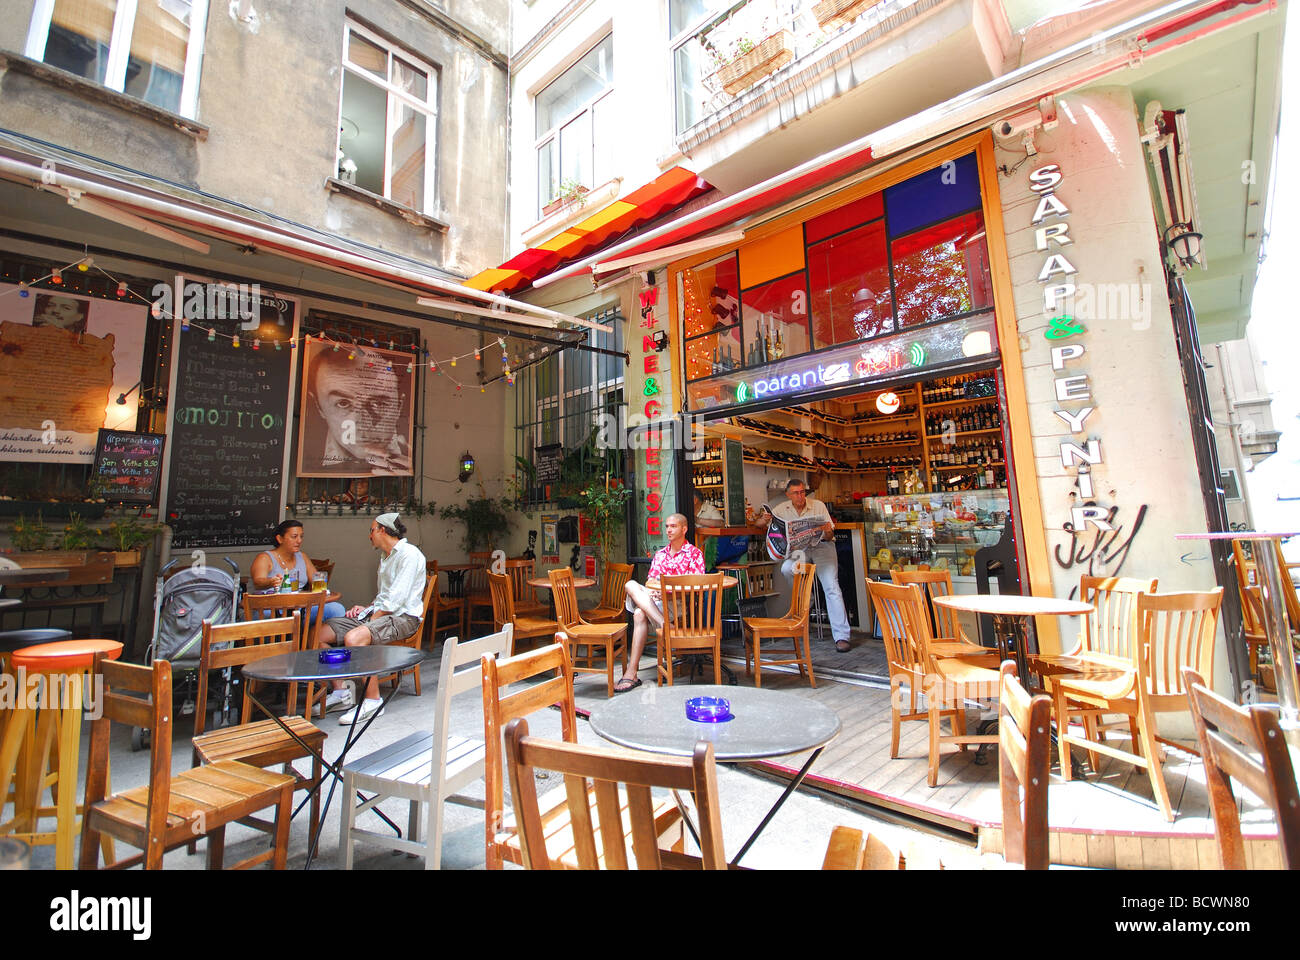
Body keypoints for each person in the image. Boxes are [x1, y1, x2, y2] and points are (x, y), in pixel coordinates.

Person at [317, 513, 427, 724]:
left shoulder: (409, 555)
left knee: (354, 638)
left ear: (382, 530)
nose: (369, 535)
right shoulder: (386, 557)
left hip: (403, 618)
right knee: (317, 635)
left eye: (371, 530)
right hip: (381, 613)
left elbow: (396, 599)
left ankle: (372, 699)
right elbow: (384, 597)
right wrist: (367, 609)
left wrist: (369, 621)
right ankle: (341, 691)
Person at [617, 512, 705, 693]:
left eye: (673, 526)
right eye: (667, 526)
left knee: (640, 614)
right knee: (630, 584)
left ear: (684, 529)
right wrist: (657, 590)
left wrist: (667, 589)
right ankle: (664, 623)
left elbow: (697, 585)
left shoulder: (694, 554)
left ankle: (631, 673)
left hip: (679, 605)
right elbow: (651, 581)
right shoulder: (660, 554)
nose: (669, 530)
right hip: (657, 603)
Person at [765, 479, 851, 653]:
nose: (800, 496)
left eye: (803, 492)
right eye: (796, 493)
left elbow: (829, 535)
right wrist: (764, 519)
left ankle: (842, 636)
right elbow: (762, 525)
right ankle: (807, 597)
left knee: (831, 586)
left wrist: (826, 531)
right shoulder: (781, 509)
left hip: (823, 547)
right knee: (786, 568)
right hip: (801, 551)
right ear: (788, 495)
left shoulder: (818, 505)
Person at [300, 345, 412, 476]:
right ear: (319, 406)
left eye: (379, 403)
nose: (361, 423)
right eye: (343, 403)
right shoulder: (308, 454)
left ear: (399, 407)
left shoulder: (414, 453)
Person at [249, 519, 346, 621]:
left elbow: (316, 580)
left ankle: (311, 636)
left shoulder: (302, 556)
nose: (299, 540)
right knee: (275, 616)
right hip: (271, 607)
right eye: (294, 537)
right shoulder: (265, 557)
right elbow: (258, 581)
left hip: (299, 607)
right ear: (279, 539)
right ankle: (294, 635)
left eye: (301, 536)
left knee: (336, 609)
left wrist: (320, 584)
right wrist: (271, 581)